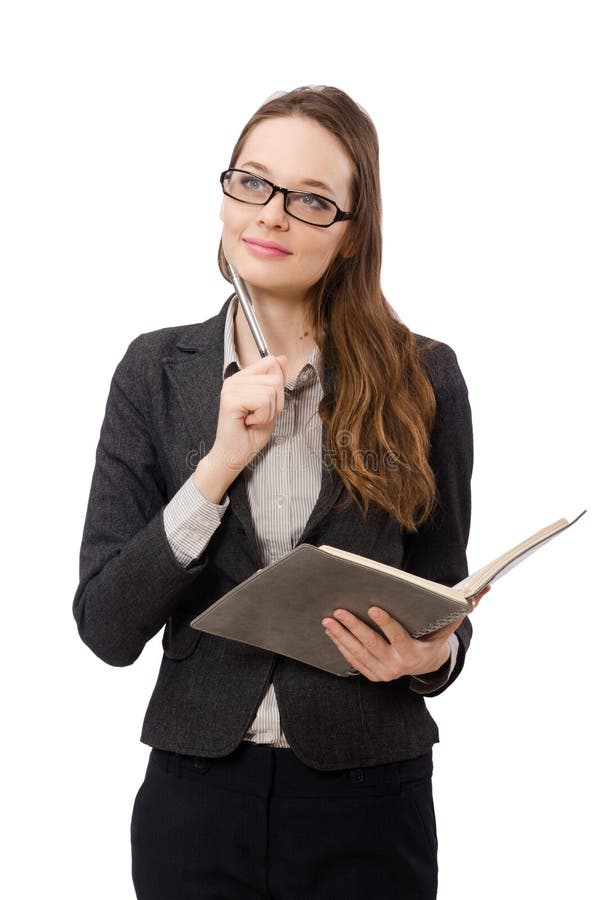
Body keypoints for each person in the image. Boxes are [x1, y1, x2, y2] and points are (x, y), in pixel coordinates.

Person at [73, 85, 482, 900]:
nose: (271, 216)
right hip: (195, 794)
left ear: (352, 231)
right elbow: (107, 627)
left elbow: (444, 592)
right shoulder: (154, 372)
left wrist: (435, 658)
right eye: (252, 182)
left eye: (311, 199)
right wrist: (217, 466)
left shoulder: (423, 376)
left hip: (369, 796)